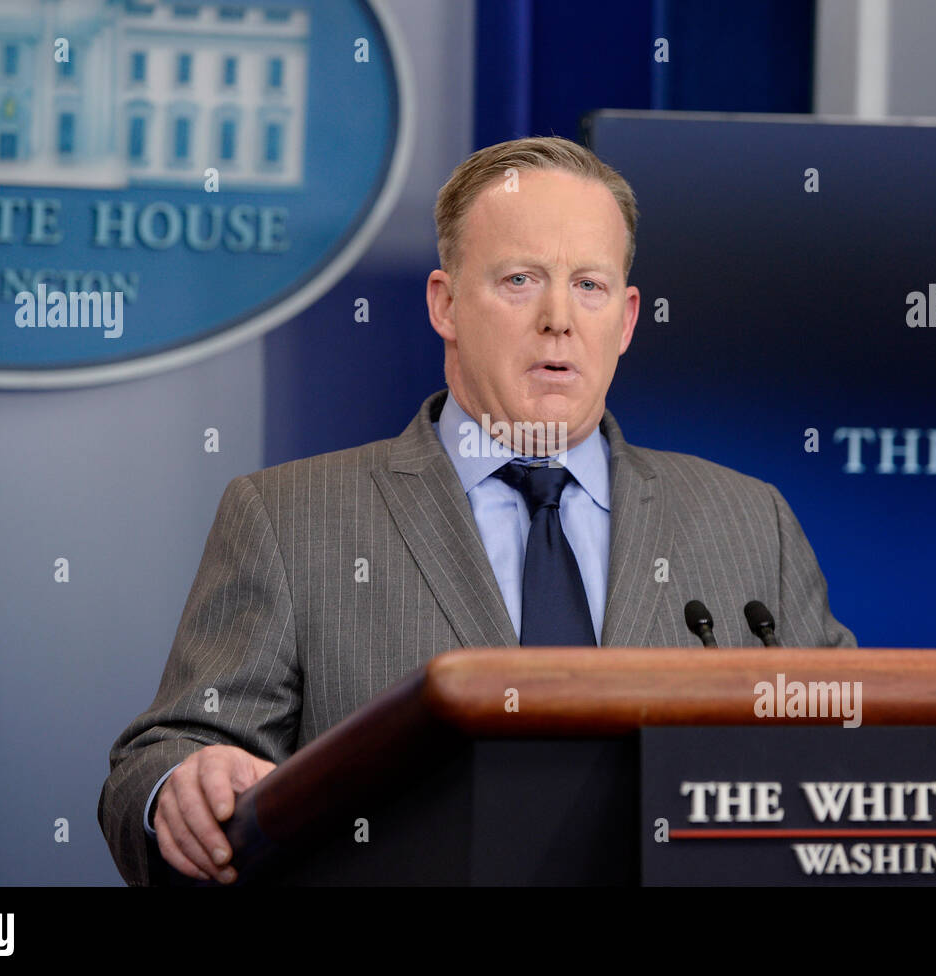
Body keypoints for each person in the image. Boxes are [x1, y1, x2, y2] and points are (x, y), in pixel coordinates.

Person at [98, 136, 856, 886]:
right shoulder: (291, 518)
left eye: (588, 286)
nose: (559, 317)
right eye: (521, 279)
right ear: (446, 303)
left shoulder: (748, 520)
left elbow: (860, 757)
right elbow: (161, 759)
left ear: (625, 321)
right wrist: (182, 788)